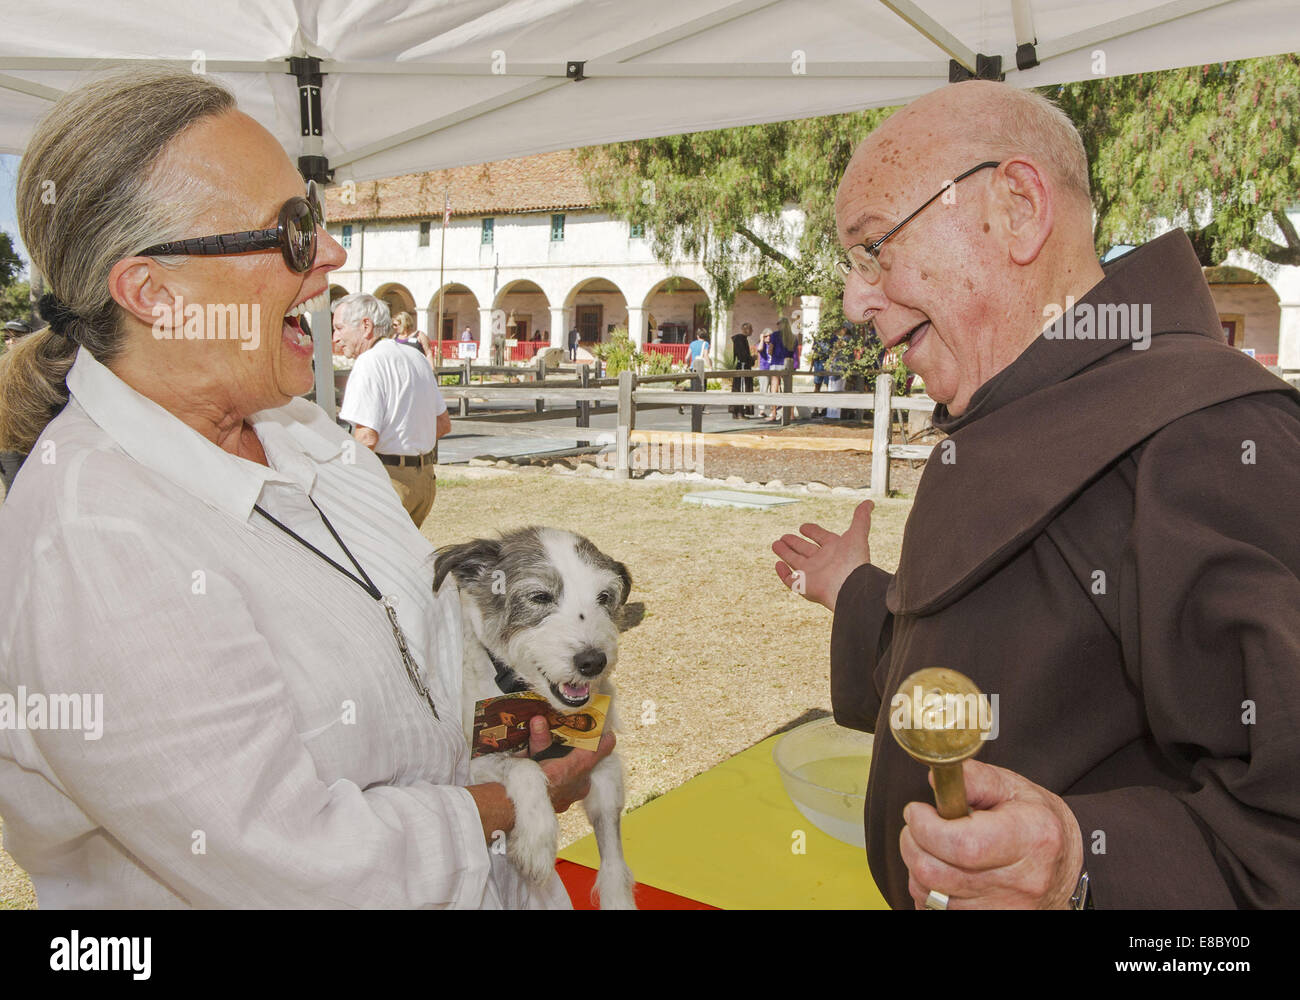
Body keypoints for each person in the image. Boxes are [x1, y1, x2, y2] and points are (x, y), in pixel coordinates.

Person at [0, 68, 612, 909]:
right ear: (154, 293)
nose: (331, 254)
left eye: (315, 220)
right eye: (291, 230)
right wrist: (513, 804)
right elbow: (292, 866)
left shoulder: (305, 435)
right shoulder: (93, 539)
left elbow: (413, 659)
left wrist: (505, 723)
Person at [772, 80, 1300, 910]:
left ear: (1017, 206)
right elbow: (1007, 657)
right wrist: (857, 594)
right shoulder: (1026, 407)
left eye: (875, 248)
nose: (854, 300)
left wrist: (1084, 867)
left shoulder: (1208, 435)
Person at [332, 293, 450, 528]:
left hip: (391, 481)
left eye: (339, 328)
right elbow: (443, 424)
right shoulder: (416, 357)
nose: (335, 338)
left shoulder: (368, 362)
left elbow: (365, 438)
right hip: (424, 481)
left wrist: (339, 471)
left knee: (370, 559)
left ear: (366, 326)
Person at [730, 322, 755, 418]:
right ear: (746, 329)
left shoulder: (742, 339)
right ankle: (740, 412)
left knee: (739, 388)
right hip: (743, 367)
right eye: (751, 329)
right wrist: (752, 358)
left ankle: (737, 412)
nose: (752, 331)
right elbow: (743, 355)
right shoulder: (740, 339)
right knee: (742, 389)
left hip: (741, 366)